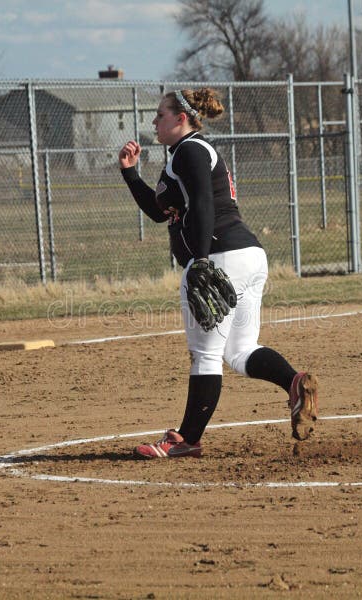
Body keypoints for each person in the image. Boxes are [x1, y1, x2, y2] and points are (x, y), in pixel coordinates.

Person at [118, 87, 318, 459]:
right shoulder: (185, 154)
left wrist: (204, 260)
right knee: (240, 351)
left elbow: (205, 204)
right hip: (246, 255)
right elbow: (160, 212)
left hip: (222, 256)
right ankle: (294, 382)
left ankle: (187, 438)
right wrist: (130, 174)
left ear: (181, 119)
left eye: (160, 115)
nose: (153, 121)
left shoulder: (191, 150)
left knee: (205, 354)